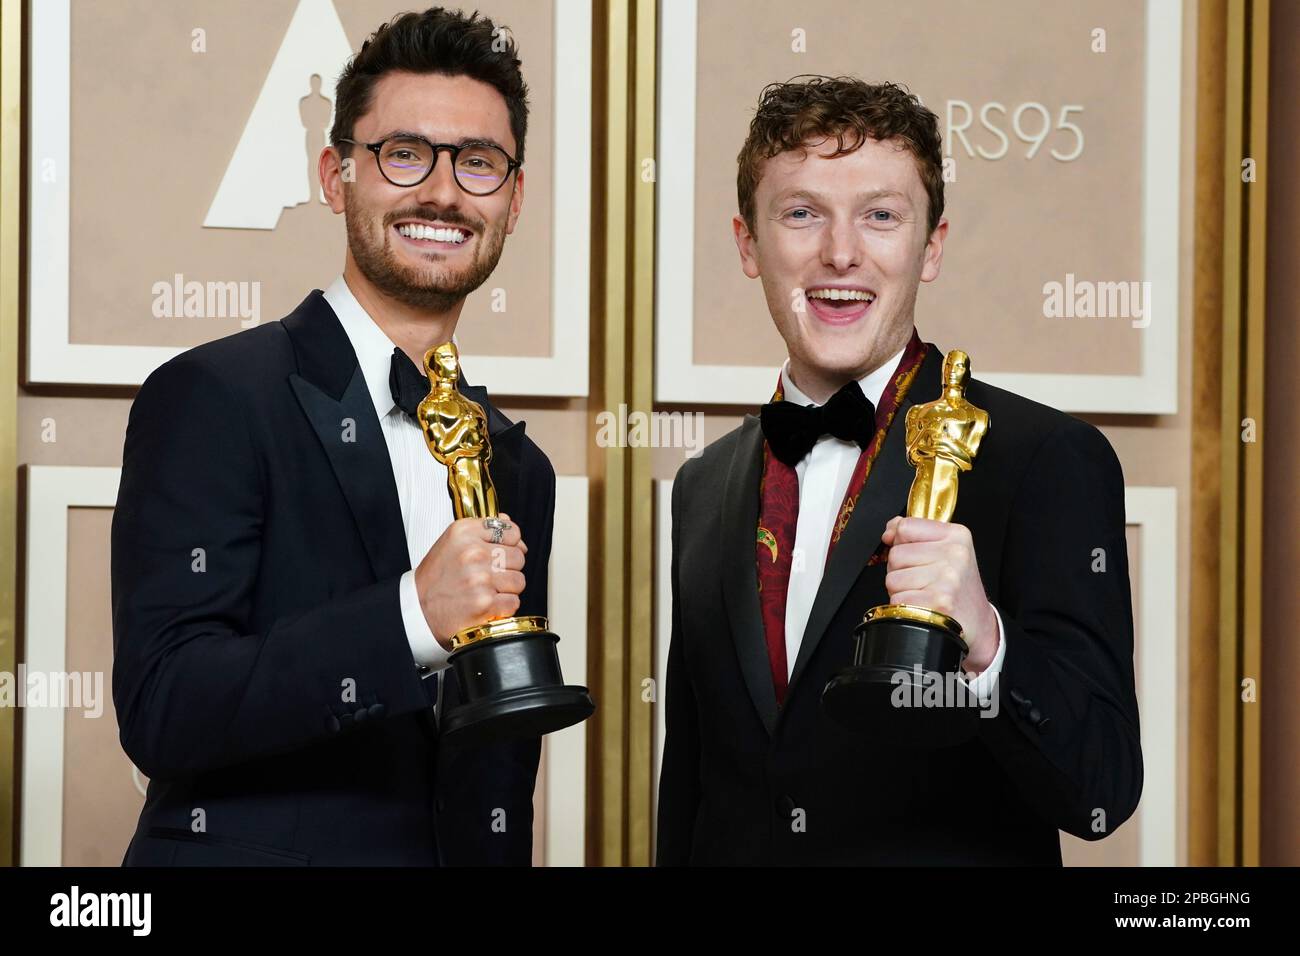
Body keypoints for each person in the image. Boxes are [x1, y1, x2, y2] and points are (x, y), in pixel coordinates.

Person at [656, 76, 1142, 865]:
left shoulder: (1046, 459)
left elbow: (1102, 791)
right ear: (748, 245)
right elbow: (692, 787)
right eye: (802, 213)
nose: (840, 252)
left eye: (881, 216)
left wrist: (988, 642)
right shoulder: (702, 486)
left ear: (933, 245)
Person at [112, 7, 552, 866]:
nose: (442, 191)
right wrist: (411, 616)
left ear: (514, 198)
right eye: (403, 153)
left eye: (479, 163)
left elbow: (495, 773)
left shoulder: (517, 466)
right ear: (334, 174)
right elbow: (162, 706)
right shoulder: (211, 396)